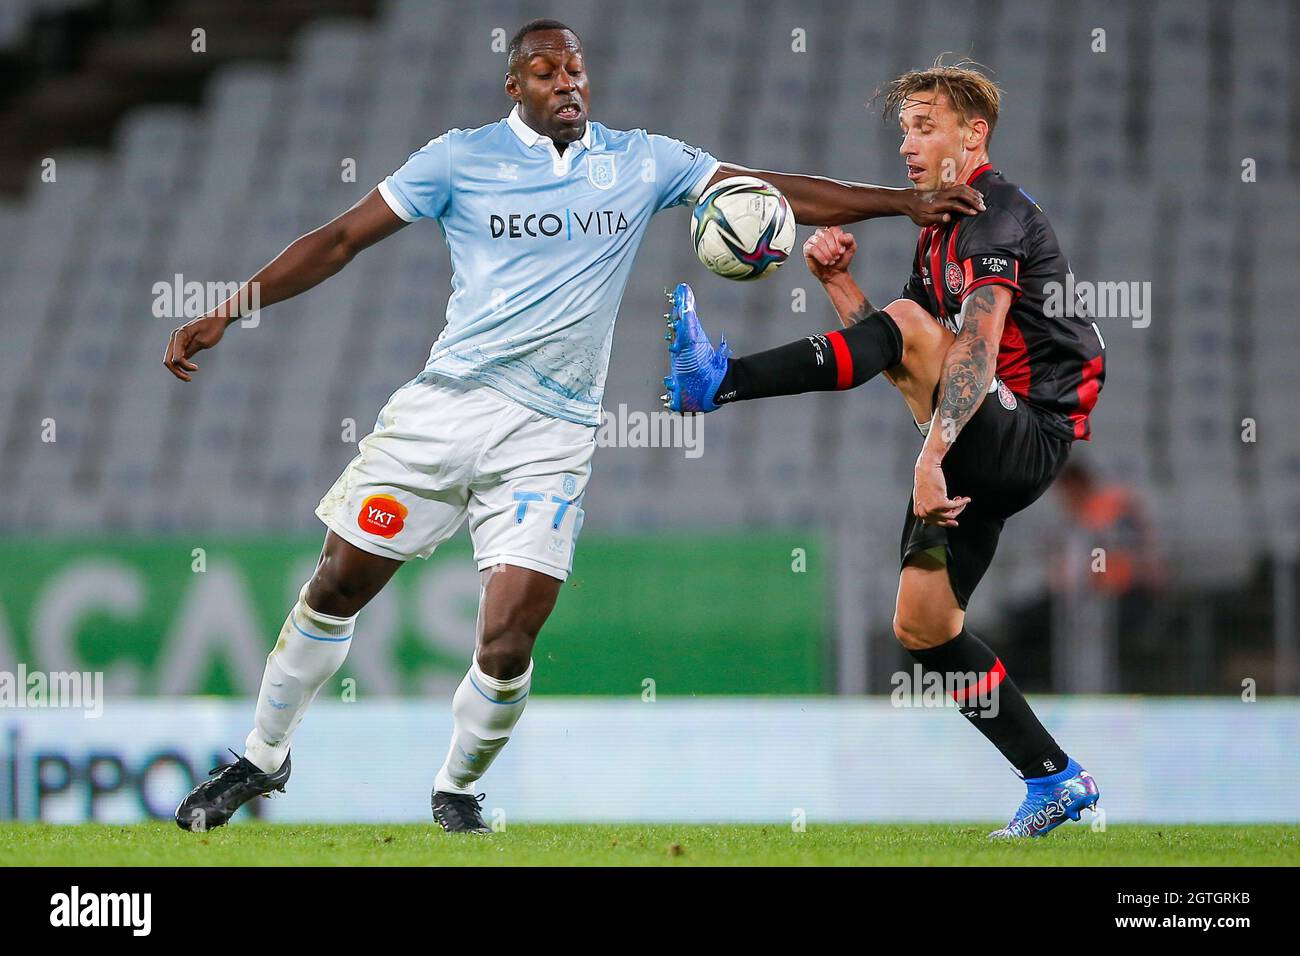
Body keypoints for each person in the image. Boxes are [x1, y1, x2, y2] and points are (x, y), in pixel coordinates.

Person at [164, 20, 982, 833]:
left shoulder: (637, 161)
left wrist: (903, 205)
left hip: (551, 435)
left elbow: (765, 192)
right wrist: (231, 310)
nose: (568, 85)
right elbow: (341, 239)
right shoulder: (459, 158)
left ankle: (456, 792)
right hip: (442, 412)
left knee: (510, 637)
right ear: (514, 87)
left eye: (576, 71)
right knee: (338, 584)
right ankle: (263, 757)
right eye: (546, 72)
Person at [664, 60, 1106, 837]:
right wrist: (840, 288)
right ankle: (1055, 778)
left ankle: (718, 382)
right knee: (925, 627)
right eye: (903, 128)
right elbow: (904, 353)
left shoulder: (994, 212)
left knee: (910, 319)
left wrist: (931, 456)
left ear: (974, 134)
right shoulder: (936, 229)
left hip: (1026, 432)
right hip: (976, 440)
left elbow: (975, 343)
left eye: (925, 124)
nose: (907, 143)